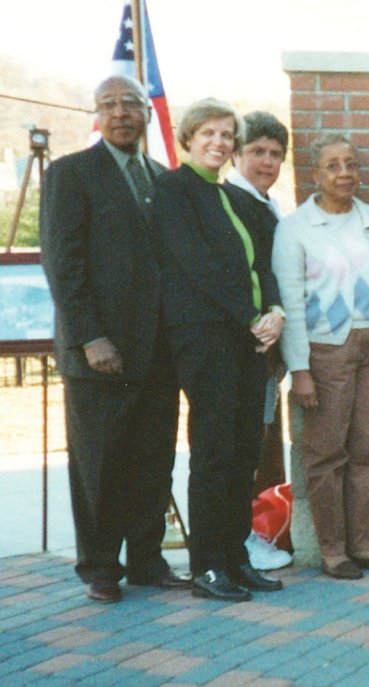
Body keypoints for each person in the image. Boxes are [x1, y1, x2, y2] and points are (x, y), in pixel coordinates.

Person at [39, 75, 189, 604]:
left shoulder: (163, 178)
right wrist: (90, 337)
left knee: (153, 461)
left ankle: (148, 560)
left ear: (147, 114)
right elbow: (62, 265)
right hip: (100, 355)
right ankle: (102, 567)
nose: (121, 112)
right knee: (99, 464)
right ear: (96, 115)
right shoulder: (70, 174)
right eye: (109, 104)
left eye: (131, 103)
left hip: (158, 352)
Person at [152, 98, 285, 602]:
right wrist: (252, 317)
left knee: (242, 451)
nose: (219, 142)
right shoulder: (173, 190)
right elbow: (196, 265)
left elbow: (262, 266)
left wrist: (274, 310)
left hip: (248, 340)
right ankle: (208, 566)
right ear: (189, 138)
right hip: (206, 337)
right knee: (212, 453)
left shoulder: (236, 198)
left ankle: (236, 557)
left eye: (227, 135)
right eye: (208, 133)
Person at [272, 132, 369, 581]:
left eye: (350, 164)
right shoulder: (295, 227)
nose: (344, 173)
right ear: (314, 174)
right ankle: (333, 551)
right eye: (332, 166)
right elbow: (291, 303)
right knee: (327, 453)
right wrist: (300, 370)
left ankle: (363, 545)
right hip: (326, 348)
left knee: (368, 448)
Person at [225, 111, 293, 572]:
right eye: (256, 152)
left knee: (258, 445)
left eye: (275, 154)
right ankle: (238, 542)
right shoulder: (228, 202)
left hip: (267, 354)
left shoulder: (268, 205)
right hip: (241, 351)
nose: (266, 162)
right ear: (236, 154)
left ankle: (251, 535)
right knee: (238, 450)